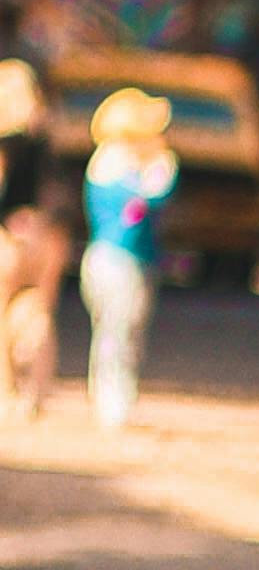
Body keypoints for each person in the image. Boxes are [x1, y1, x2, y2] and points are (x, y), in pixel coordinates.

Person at [77, 81, 176, 435]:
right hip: (116, 260)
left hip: (124, 260)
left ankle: (117, 397)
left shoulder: (127, 162)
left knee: (123, 330)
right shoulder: (114, 163)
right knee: (115, 332)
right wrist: (159, 181)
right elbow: (136, 212)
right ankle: (110, 402)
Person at [0, 4, 57, 420]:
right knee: (38, 312)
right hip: (39, 233)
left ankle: (11, 392)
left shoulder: (13, 147)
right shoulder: (40, 141)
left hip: (12, 237)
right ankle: (32, 393)